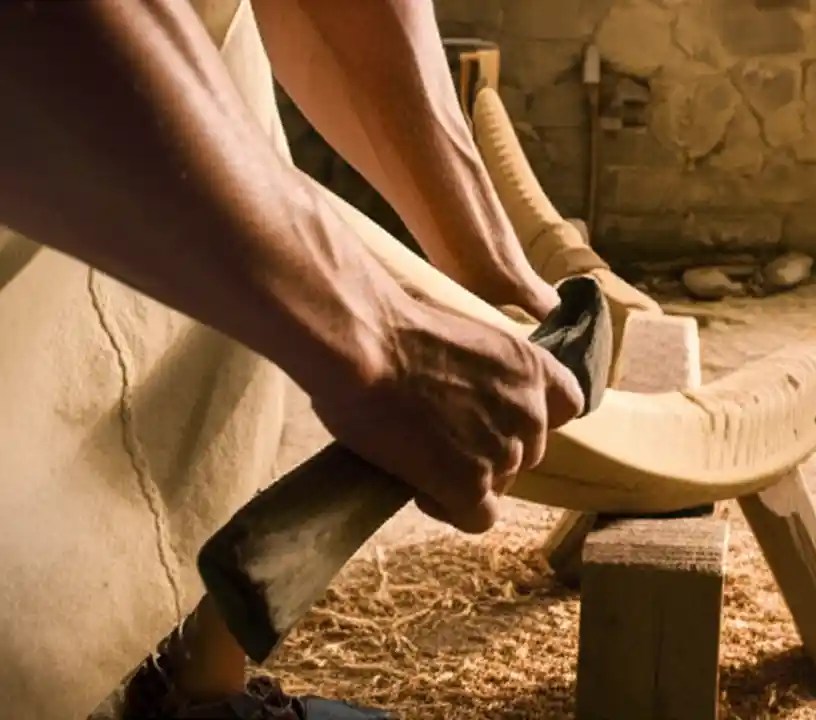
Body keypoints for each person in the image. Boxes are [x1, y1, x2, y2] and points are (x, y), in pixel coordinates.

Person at [0, 1, 581, 717]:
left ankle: (189, 695)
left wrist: (480, 264)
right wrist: (381, 341)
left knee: (166, 511)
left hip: (173, 142)